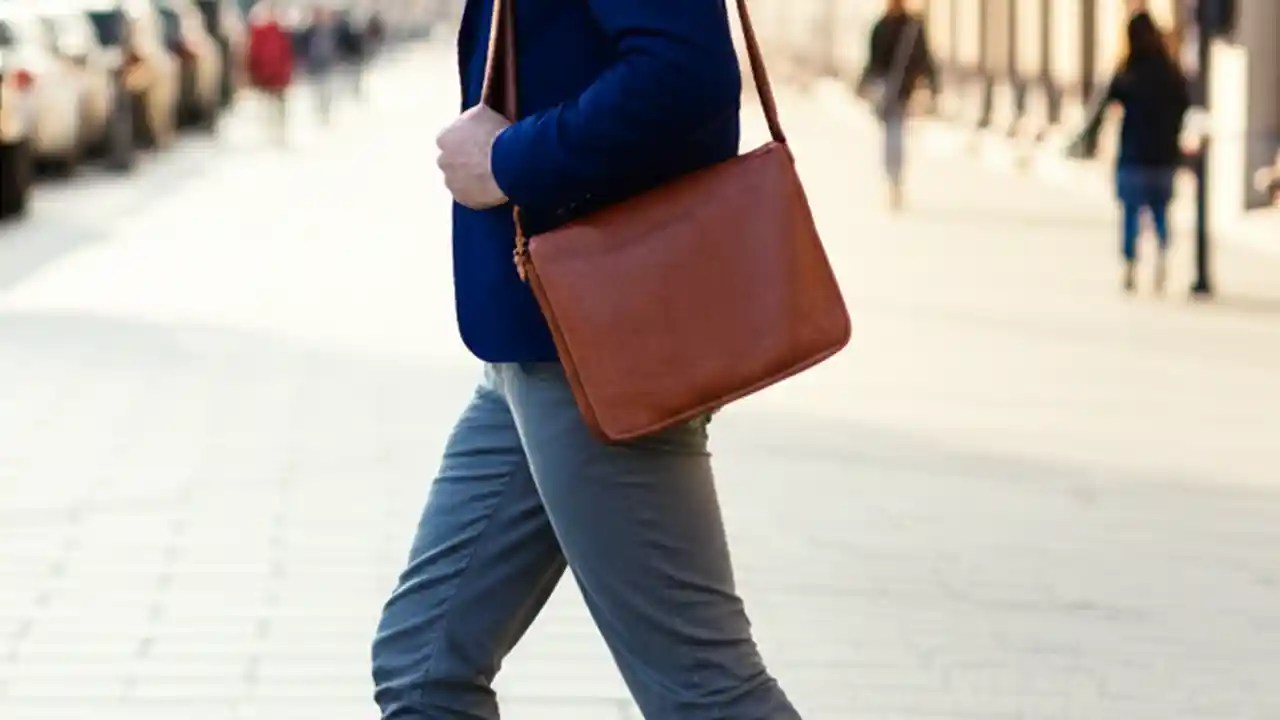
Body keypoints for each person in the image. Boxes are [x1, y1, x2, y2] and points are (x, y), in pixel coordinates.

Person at [369, 1, 801, 719]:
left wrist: (507, 160)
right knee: (423, 665)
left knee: (705, 691)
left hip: (601, 343)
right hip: (533, 340)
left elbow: (684, 74)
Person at [1076, 11, 1189, 293]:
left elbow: (1102, 105)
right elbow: (1183, 104)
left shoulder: (1128, 70)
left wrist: (1087, 140)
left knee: (1129, 214)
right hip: (1162, 155)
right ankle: (1161, 254)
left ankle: (1130, 265)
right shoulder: (1169, 72)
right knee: (1160, 211)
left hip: (1134, 155)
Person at [857, 0, 938, 212]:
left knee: (894, 134)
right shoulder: (881, 27)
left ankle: (894, 178)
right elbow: (873, 61)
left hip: (902, 93)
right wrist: (865, 83)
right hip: (884, 93)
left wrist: (932, 85)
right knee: (891, 135)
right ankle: (893, 179)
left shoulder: (912, 27)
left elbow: (924, 58)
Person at [246, 1, 294, 145]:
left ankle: (279, 132)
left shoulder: (282, 29)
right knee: (267, 104)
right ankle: (269, 131)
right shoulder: (259, 30)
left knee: (279, 105)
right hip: (266, 74)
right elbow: (254, 54)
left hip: (279, 74)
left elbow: (287, 53)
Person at [302, 7, 340, 123]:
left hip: (327, 65)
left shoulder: (330, 30)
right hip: (314, 66)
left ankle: (325, 111)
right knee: (317, 90)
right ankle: (319, 110)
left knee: (327, 90)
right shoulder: (309, 31)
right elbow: (304, 48)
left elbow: (335, 47)